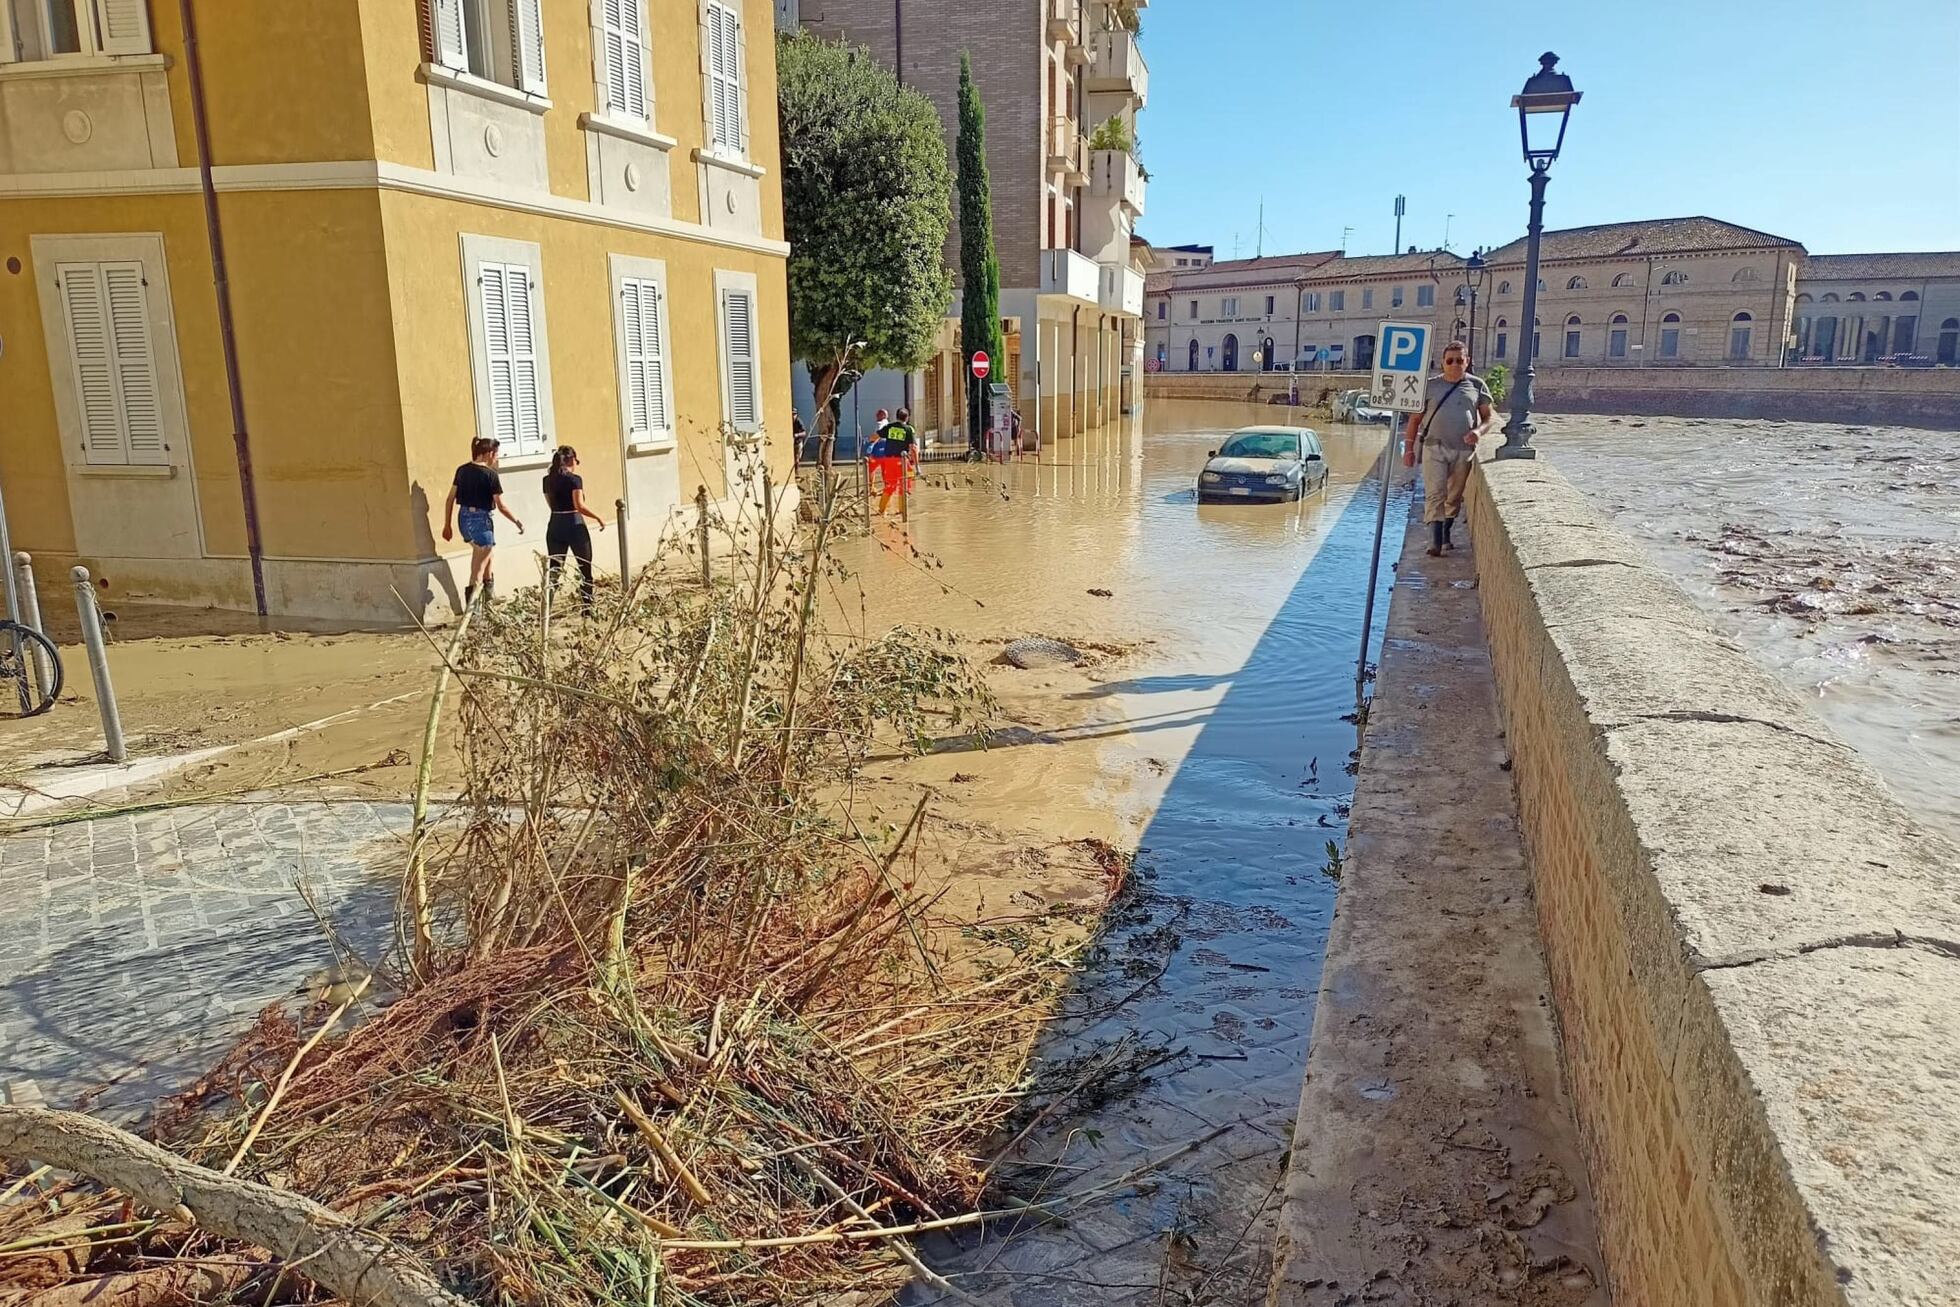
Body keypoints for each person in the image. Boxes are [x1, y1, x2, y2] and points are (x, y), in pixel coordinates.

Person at [1402, 341, 1494, 557]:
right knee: (1435, 493)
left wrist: (1479, 432)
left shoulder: (1477, 385)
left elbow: (1489, 417)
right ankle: (1433, 542)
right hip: (1434, 448)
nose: (1454, 365)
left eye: (1459, 361)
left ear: (1467, 362)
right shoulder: (1430, 387)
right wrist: (1409, 449)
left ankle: (1445, 533)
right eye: (1450, 361)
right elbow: (1414, 421)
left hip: (1463, 450)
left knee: (1454, 496)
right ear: (1442, 363)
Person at [443, 437, 524, 607]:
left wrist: (447, 525)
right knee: (478, 569)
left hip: (464, 518)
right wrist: (517, 521)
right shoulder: (490, 475)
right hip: (481, 521)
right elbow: (501, 506)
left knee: (488, 555)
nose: (497, 458)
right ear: (488, 454)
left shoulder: (462, 470)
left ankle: (489, 596)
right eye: (496, 455)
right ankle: (474, 611)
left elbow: (450, 499)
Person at [542, 445, 606, 614]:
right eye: (576, 460)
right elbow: (579, 505)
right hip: (574, 523)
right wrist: (597, 517)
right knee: (585, 567)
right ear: (571, 460)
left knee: (554, 569)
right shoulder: (575, 480)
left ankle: (545, 610)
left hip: (555, 523)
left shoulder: (547, 480)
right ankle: (587, 608)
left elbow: (550, 504)